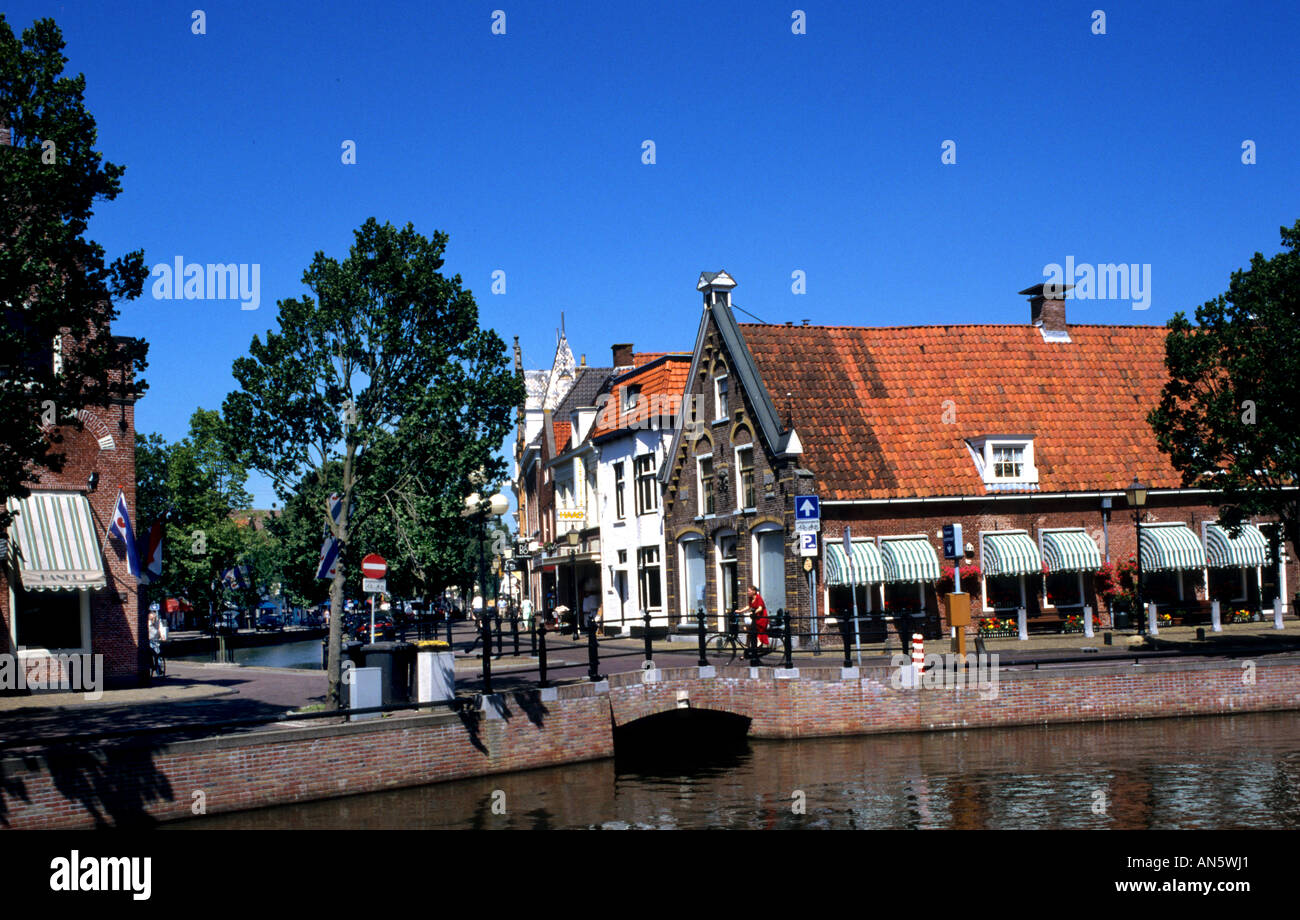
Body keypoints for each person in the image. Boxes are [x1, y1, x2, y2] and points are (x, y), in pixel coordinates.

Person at [735, 585, 769, 660]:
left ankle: (758, 640)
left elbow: (760, 608)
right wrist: (740, 611)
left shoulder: (758, 597)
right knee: (748, 634)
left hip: (761, 617)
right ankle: (746, 653)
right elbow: (748, 606)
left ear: (754, 592)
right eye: (748, 591)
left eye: (749, 591)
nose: (748, 592)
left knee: (750, 631)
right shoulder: (750, 598)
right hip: (755, 617)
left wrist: (753, 613)